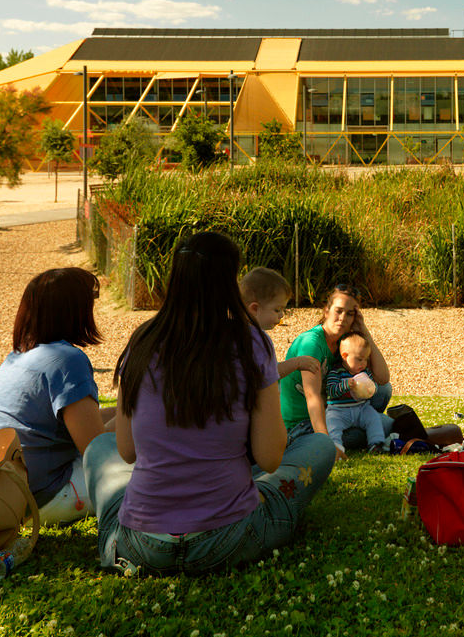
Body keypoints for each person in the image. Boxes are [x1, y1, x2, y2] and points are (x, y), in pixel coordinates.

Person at [84, 232, 335, 575]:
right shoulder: (252, 343)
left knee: (99, 447)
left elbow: (127, 452)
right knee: (320, 445)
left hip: (142, 544)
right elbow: (270, 457)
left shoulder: (142, 340)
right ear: (229, 283)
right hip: (227, 537)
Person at [0, 267, 112, 525]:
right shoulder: (67, 360)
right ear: (74, 309)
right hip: (42, 498)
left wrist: (131, 413)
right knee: (138, 460)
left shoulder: (21, 355)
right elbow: (96, 452)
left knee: (125, 427)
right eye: (91, 298)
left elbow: (74, 421)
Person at [281, 284, 392, 457]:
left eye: (350, 314)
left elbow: (382, 378)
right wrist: (325, 444)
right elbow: (312, 396)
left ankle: (369, 426)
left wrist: (363, 330)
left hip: (337, 411)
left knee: (383, 391)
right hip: (302, 424)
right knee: (385, 425)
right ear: (326, 311)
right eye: (338, 311)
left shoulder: (344, 341)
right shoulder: (312, 343)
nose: (342, 318)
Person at [239, 267, 322, 380]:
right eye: (277, 310)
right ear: (255, 309)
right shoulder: (257, 340)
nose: (282, 315)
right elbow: (267, 375)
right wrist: (297, 363)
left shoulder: (233, 333)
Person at [324, 332, 387, 454]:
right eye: (359, 359)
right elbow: (330, 391)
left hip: (361, 407)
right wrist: (345, 385)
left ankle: (376, 443)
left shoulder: (365, 372)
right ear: (344, 356)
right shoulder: (336, 372)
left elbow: (373, 389)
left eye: (366, 359)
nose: (363, 363)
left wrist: (370, 388)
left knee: (373, 418)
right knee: (332, 424)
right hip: (339, 411)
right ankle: (336, 447)